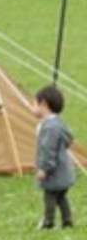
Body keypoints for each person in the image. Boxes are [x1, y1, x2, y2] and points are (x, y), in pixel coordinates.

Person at [34, 83, 76, 230]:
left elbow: (48, 149)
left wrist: (44, 169)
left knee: (50, 197)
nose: (33, 107)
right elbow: (68, 139)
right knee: (61, 197)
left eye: (35, 104)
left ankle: (48, 221)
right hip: (64, 170)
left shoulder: (50, 128)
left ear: (44, 104)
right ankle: (67, 220)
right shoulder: (59, 123)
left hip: (54, 172)